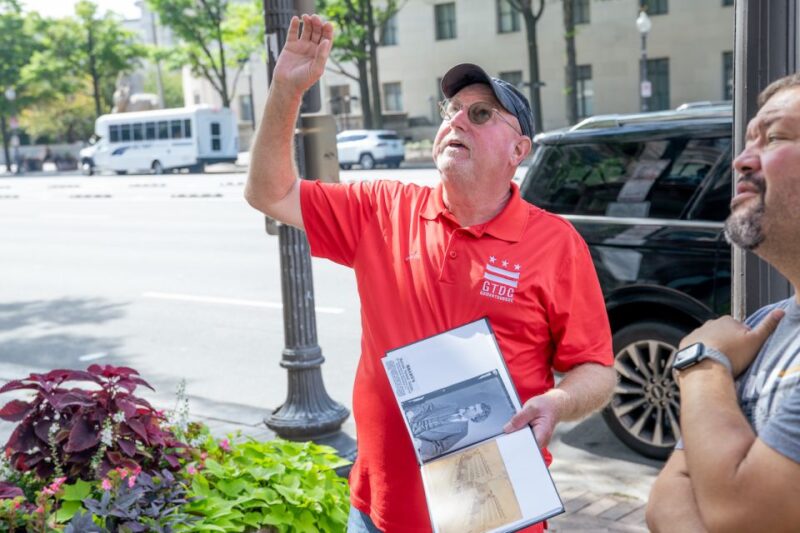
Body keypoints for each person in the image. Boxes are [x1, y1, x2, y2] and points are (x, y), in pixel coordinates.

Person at [245, 14, 616, 533]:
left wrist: (558, 401)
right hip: (378, 511)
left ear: (518, 151)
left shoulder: (556, 244)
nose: (457, 121)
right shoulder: (383, 207)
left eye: (481, 114)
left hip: (495, 512)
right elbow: (269, 193)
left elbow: (597, 370)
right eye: (452, 110)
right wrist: (286, 90)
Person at [646, 74, 800, 532]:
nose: (740, 161)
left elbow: (740, 514)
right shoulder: (759, 327)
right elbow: (662, 508)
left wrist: (700, 363)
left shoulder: (726, 347)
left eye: (774, 137)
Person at [408, 401, 491, 459]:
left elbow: (440, 447)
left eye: (475, 409)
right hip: (409, 421)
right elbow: (429, 406)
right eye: (474, 405)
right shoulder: (453, 405)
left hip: (413, 441)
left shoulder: (463, 431)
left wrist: (420, 444)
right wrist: (412, 413)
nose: (470, 407)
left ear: (476, 417)